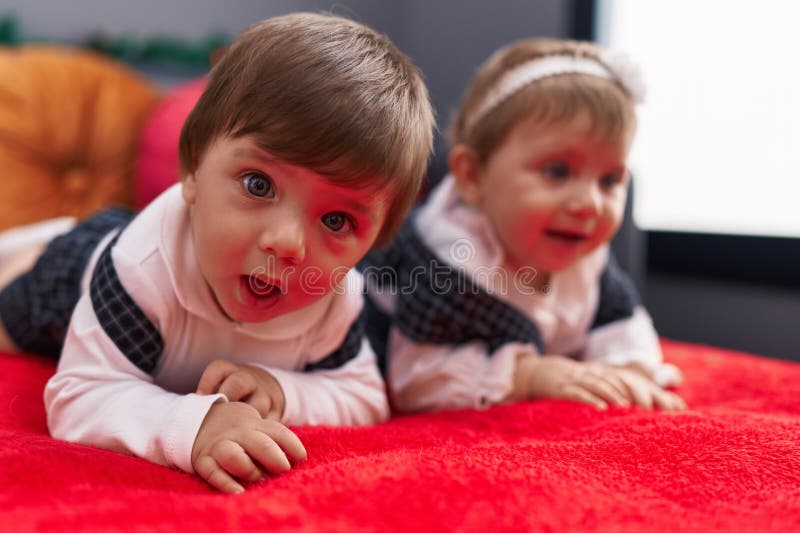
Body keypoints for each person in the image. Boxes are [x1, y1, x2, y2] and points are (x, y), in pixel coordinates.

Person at [0, 12, 433, 493]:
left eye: (336, 221)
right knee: (14, 316)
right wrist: (195, 424)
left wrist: (280, 391)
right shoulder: (139, 272)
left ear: (373, 243)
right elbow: (80, 394)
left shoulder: (335, 296)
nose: (287, 243)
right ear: (192, 169)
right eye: (258, 184)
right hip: (71, 278)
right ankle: (29, 249)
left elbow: (363, 396)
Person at [360, 38, 686, 415]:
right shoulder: (446, 264)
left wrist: (627, 371)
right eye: (557, 172)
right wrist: (527, 376)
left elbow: (619, 321)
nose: (591, 203)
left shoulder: (585, 253)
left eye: (610, 180)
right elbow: (416, 377)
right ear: (472, 177)